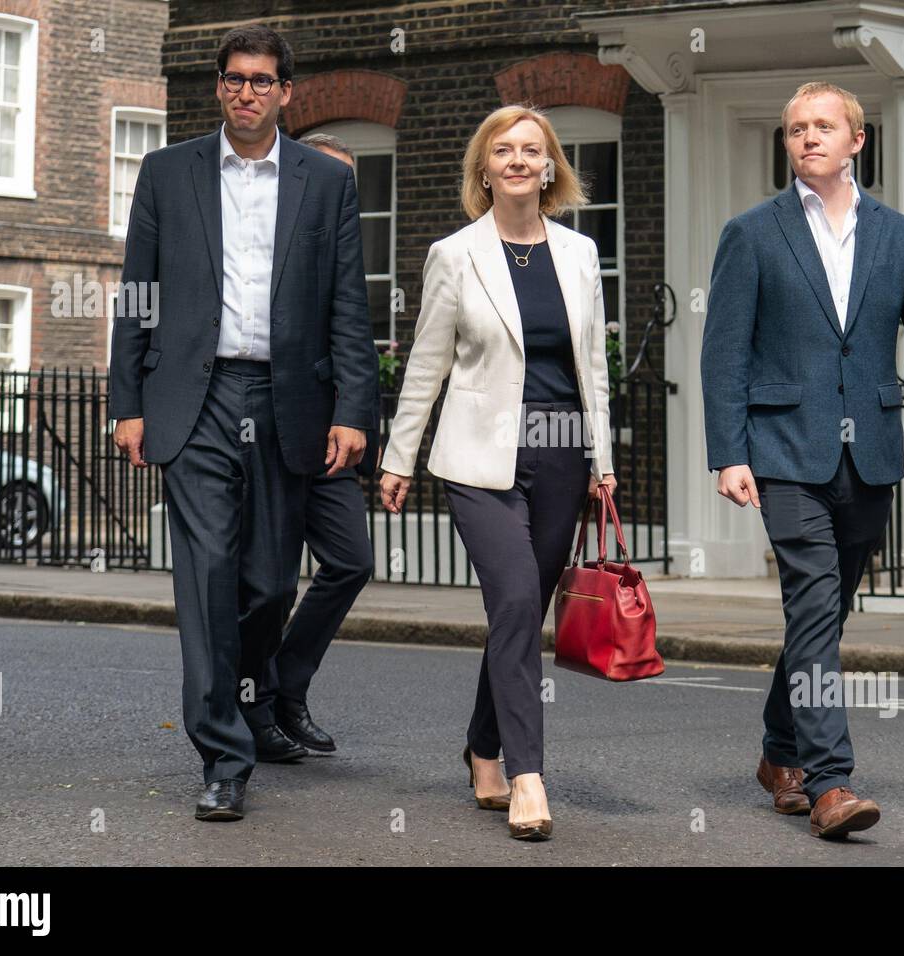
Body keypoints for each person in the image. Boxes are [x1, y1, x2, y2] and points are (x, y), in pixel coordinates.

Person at [701, 81, 904, 840]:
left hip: (872, 455)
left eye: (823, 126)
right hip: (786, 452)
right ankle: (830, 782)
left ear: (858, 140)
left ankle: (777, 751)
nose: (807, 138)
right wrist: (729, 453)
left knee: (819, 614)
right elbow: (723, 352)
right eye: (796, 129)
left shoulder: (898, 234)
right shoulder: (752, 233)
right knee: (816, 601)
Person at [110, 24, 378, 821]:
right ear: (219, 87)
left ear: (285, 93)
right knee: (205, 578)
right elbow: (137, 296)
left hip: (285, 398)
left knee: (267, 583)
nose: (248, 92)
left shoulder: (323, 183)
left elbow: (347, 305)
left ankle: (254, 699)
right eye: (235, 79)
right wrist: (126, 402)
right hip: (194, 400)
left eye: (263, 81)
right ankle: (223, 756)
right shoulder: (167, 172)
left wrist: (354, 411)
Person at [378, 105, 616, 841]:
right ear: (484, 168)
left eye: (532, 150)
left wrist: (601, 463)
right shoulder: (456, 254)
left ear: (550, 168)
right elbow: (428, 363)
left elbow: (594, 369)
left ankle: (482, 744)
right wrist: (398, 457)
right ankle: (526, 774)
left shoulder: (579, 252)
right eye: (503, 150)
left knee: (521, 612)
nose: (518, 160)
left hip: (561, 455)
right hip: (480, 459)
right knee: (514, 600)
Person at [257, 131, 381, 757]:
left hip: (326, 437)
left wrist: (355, 414)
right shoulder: (269, 247)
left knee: (352, 561)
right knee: (268, 580)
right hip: (263, 431)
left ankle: (286, 686)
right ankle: (252, 705)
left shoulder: (340, 252)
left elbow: (355, 335)